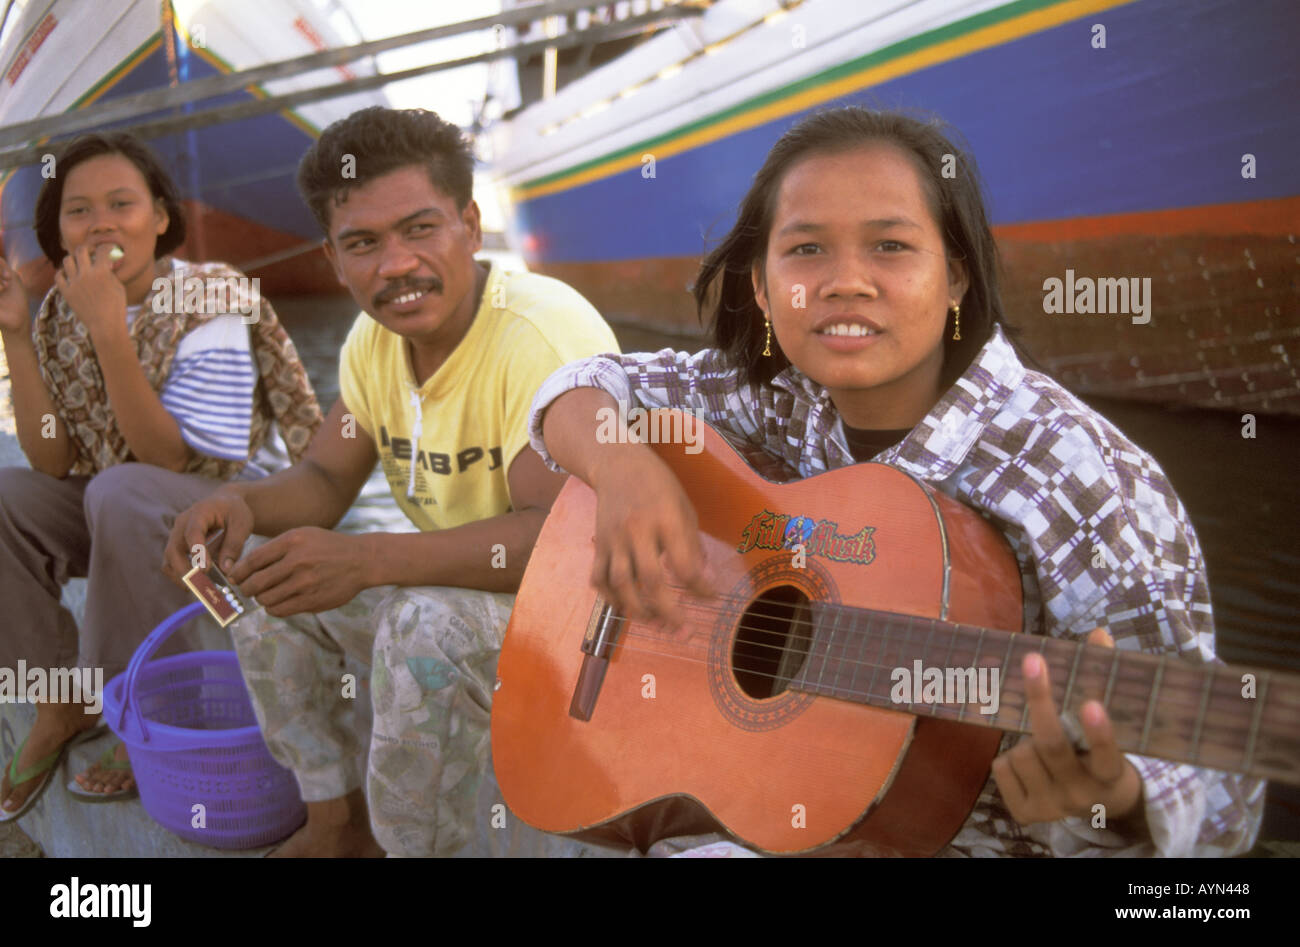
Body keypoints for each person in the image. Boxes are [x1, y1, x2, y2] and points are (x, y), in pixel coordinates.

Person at [528, 106, 1265, 856]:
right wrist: (618, 463)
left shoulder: (1075, 474)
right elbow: (583, 385)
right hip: (782, 801)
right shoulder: (780, 394)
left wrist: (1126, 798)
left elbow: (1223, 797)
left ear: (955, 277)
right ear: (760, 286)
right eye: (806, 249)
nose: (846, 282)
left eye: (890, 245)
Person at [162, 106, 620, 857]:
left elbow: (562, 540)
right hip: (473, 603)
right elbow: (321, 478)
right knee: (263, 586)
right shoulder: (374, 346)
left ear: (471, 225)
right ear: (334, 258)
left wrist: (370, 559)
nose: (395, 264)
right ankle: (336, 824)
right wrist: (232, 501)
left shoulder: (539, 336)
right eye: (363, 243)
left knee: (422, 623)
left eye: (420, 228)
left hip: (592, 629)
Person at [0, 132, 321, 821]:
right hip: (130, 512)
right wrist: (18, 336)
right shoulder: (60, 313)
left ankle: (135, 703)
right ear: (57, 232)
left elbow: (168, 459)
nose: (101, 223)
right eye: (78, 211)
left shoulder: (211, 300)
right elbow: (53, 460)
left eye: (122, 203)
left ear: (162, 218)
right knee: (8, 499)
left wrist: (111, 332)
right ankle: (62, 699)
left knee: (119, 488)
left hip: (230, 520)